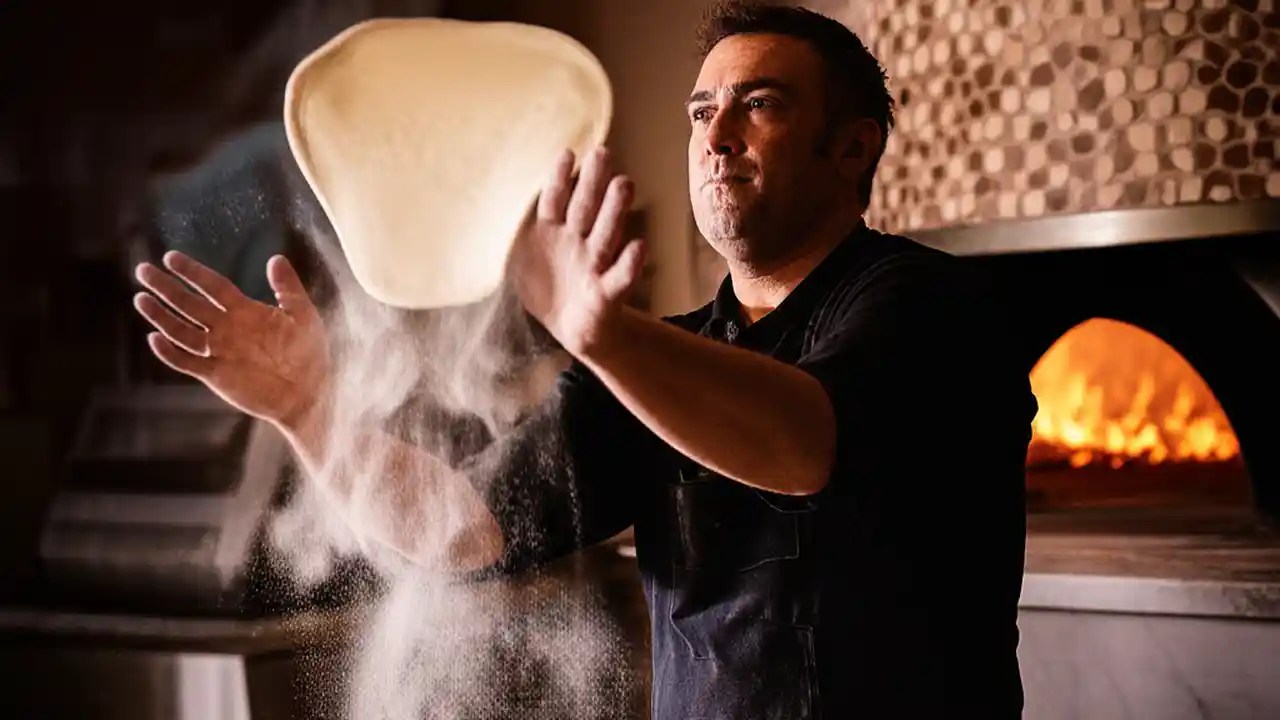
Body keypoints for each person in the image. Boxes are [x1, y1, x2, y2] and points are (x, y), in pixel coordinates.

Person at [133, 3, 1036, 717]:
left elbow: (805, 445)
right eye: (700, 111)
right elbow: (462, 533)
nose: (717, 135)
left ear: (854, 146)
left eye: (760, 104)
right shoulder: (658, 357)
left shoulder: (932, 306)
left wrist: (602, 334)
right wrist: (312, 412)